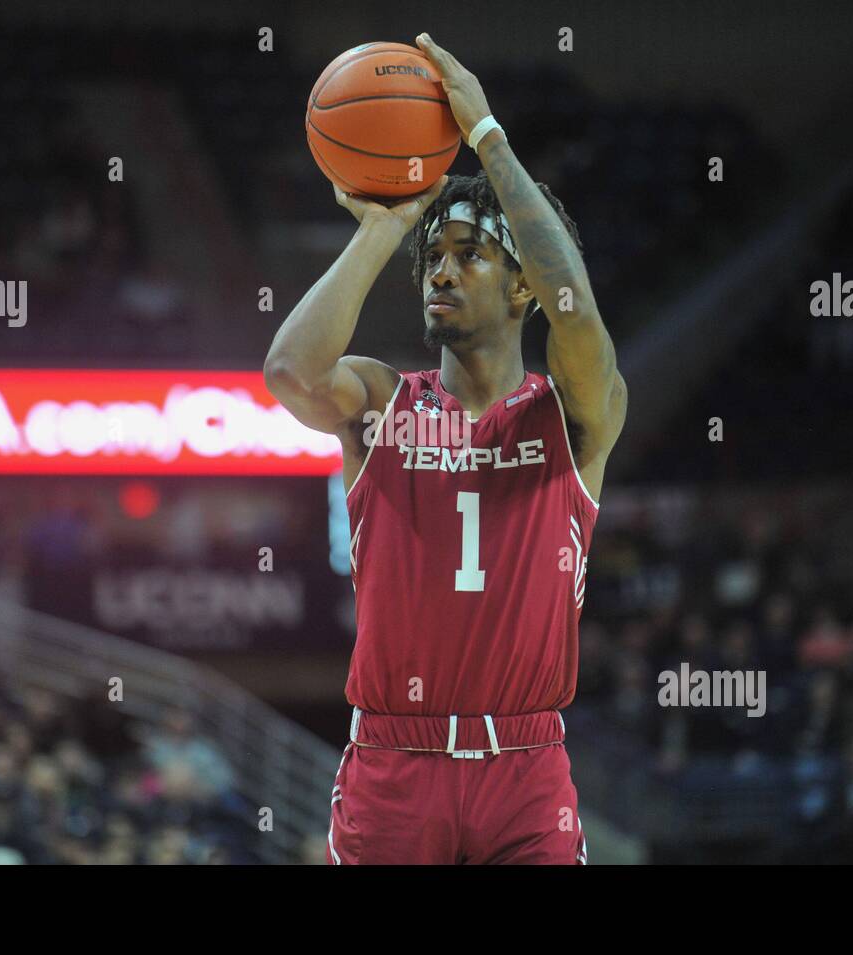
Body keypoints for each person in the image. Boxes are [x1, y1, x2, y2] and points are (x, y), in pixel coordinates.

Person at [265, 33, 626, 864]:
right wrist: (388, 223)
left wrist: (489, 137)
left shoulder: (573, 412)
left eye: (470, 255)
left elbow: (577, 312)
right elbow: (289, 370)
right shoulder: (381, 400)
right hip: (394, 760)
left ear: (524, 284)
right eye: (434, 258)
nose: (441, 272)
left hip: (525, 765)